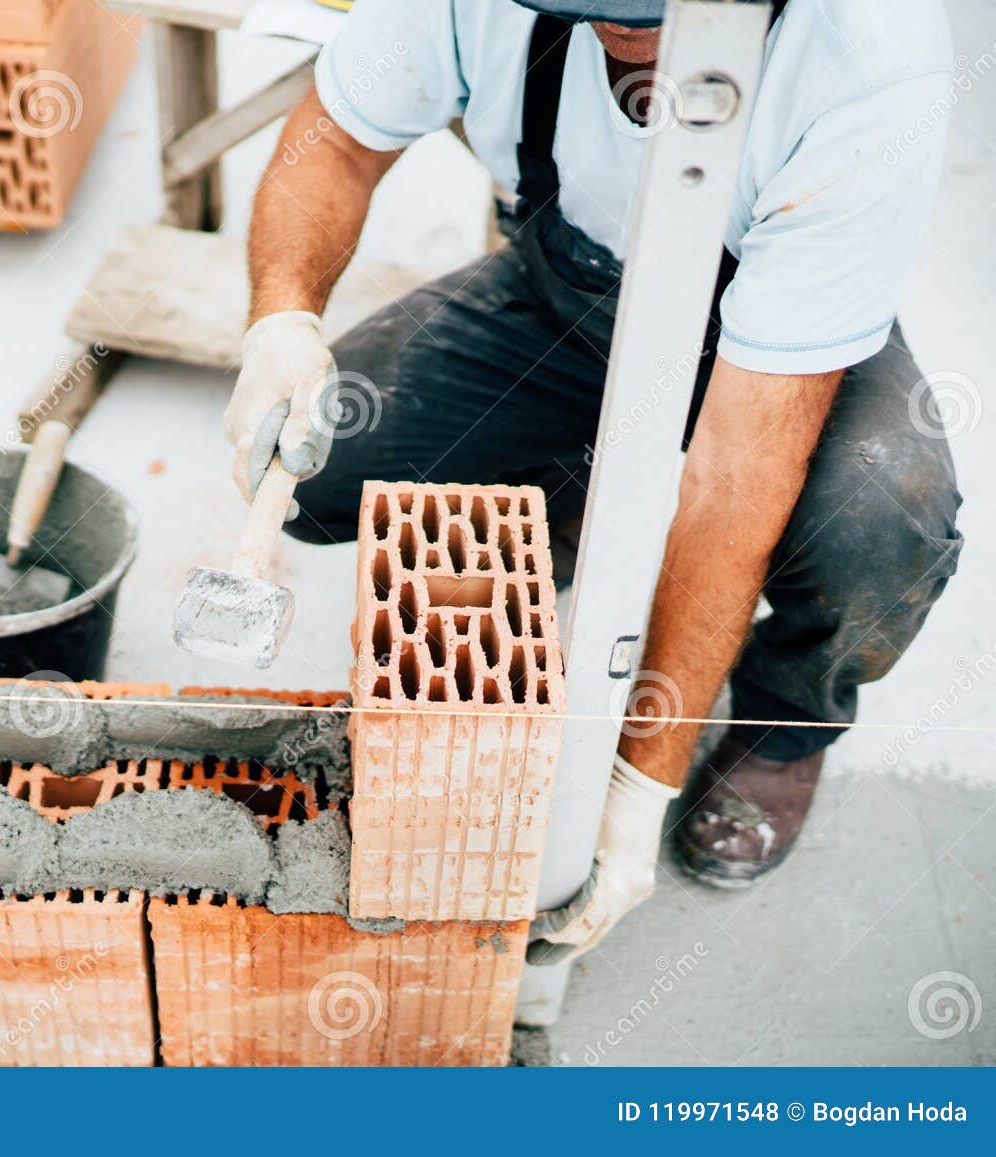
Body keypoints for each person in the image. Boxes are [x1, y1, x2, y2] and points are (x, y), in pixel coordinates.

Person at [223, 0, 963, 960]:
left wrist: (636, 782)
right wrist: (283, 318)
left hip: (773, 332)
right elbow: (334, 136)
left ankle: (783, 729)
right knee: (336, 467)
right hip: (567, 294)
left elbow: (737, 474)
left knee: (879, 522)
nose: (616, 31)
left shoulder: (871, 61)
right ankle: (568, 495)